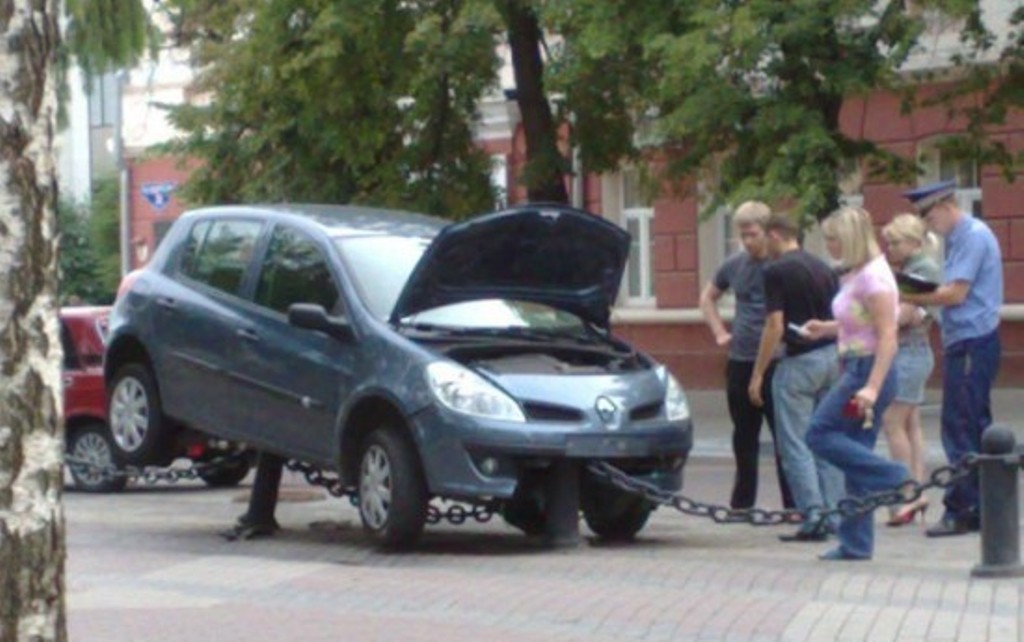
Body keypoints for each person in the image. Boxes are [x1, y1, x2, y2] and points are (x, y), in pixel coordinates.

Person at [801, 206, 910, 561]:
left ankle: (896, 478)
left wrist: (873, 388)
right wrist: (826, 327)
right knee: (855, 455)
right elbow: (859, 323)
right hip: (856, 364)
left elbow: (888, 335)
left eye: (833, 238)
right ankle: (856, 543)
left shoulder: (874, 278)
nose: (829, 245)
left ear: (849, 238)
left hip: (866, 371)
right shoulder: (859, 273)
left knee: (819, 433)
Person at [900, 180, 1003, 537]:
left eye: (929, 217)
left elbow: (956, 294)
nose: (929, 226)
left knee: (960, 426)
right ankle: (983, 506)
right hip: (966, 341)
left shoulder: (972, 235)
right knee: (973, 425)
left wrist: (911, 296)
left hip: (973, 341)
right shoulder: (958, 238)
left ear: (945, 206)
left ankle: (963, 509)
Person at [749, 213, 843, 542]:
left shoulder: (775, 271)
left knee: (795, 442)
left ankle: (812, 515)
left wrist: (758, 372)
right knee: (825, 438)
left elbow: (775, 324)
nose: (761, 245)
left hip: (799, 362)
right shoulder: (823, 268)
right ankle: (834, 513)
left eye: (763, 237)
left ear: (775, 235)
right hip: (831, 358)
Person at [700, 201, 795, 511]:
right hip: (741, 358)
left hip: (779, 358)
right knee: (744, 434)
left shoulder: (784, 265)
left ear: (769, 232)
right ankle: (742, 503)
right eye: (743, 235)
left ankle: (793, 503)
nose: (748, 242)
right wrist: (719, 332)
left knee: (784, 435)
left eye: (753, 234)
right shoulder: (734, 265)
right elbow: (708, 297)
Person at [880, 214, 940, 526]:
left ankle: (906, 492)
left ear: (914, 242)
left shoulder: (922, 269)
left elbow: (907, 316)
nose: (889, 248)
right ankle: (916, 490)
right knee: (911, 424)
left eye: (895, 242)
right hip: (911, 352)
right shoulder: (909, 268)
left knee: (892, 422)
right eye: (888, 242)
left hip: (910, 352)